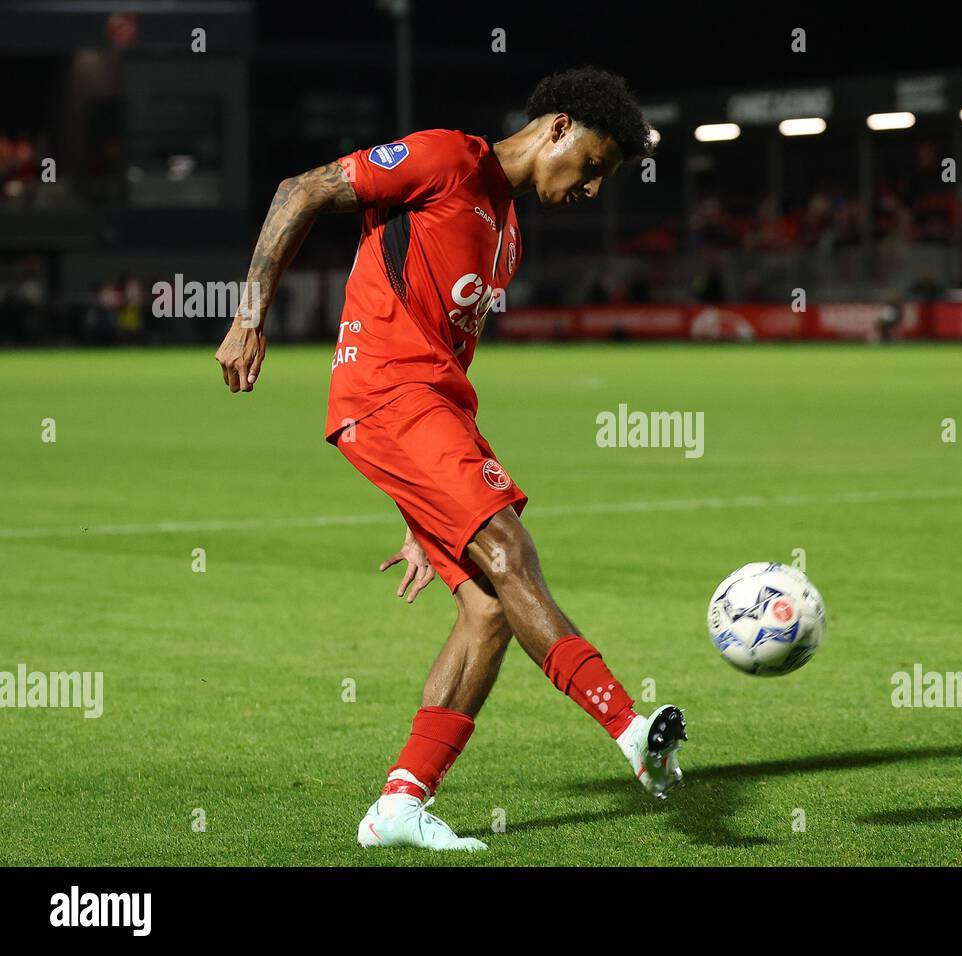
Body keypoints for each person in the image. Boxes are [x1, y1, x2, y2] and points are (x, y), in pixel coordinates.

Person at [214, 68, 686, 853]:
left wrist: (420, 513)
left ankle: (399, 806)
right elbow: (299, 190)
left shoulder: (508, 235)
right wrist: (250, 316)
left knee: (490, 607)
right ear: (558, 128)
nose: (593, 189)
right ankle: (630, 729)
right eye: (596, 167)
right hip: (387, 393)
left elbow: (449, 358)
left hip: (434, 409)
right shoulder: (443, 159)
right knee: (510, 553)